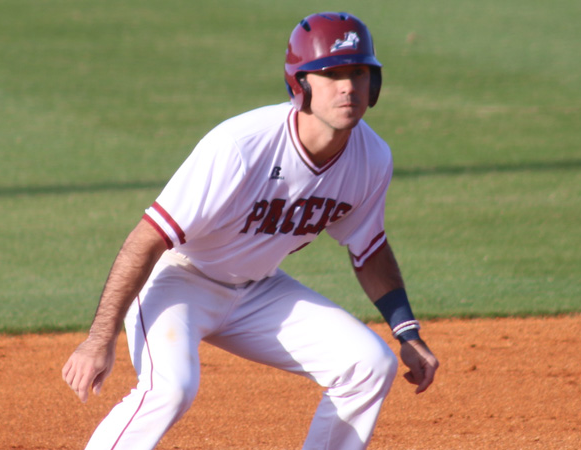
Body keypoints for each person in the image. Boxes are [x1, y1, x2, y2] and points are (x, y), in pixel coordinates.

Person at [62, 12, 439, 450]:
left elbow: (369, 248)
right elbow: (146, 238)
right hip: (179, 280)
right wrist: (98, 339)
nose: (347, 87)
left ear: (374, 84)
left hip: (258, 291)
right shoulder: (242, 146)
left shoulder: (372, 157)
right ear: (300, 84)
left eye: (358, 72)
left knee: (370, 364)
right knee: (170, 389)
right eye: (331, 73)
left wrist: (407, 333)